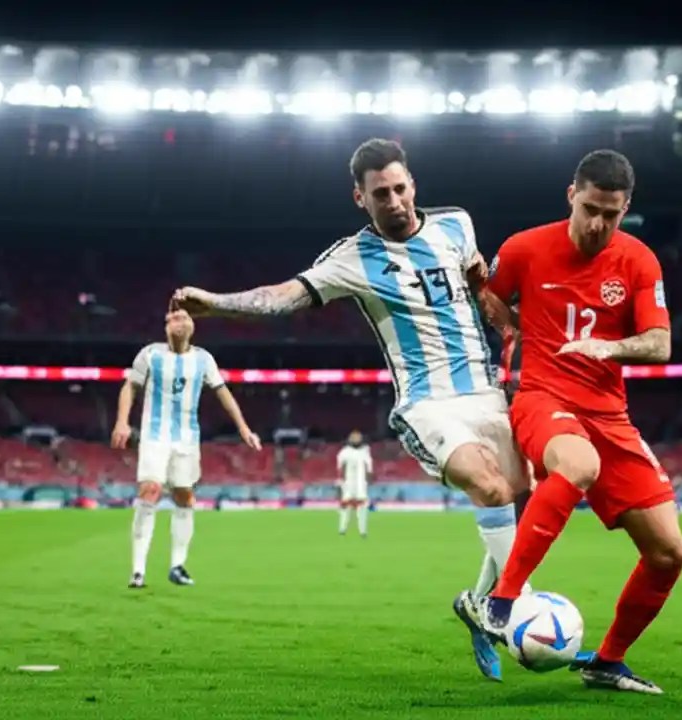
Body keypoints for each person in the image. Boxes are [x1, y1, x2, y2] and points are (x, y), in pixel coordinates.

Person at [173, 138, 528, 681]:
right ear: (360, 198)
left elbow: (482, 288)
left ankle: (479, 606)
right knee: (491, 487)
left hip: (488, 392)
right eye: (379, 193)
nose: (394, 201)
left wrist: (513, 329)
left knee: (523, 504)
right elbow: (283, 296)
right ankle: (525, 613)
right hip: (428, 403)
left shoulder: (457, 224)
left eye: (400, 188)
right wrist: (217, 305)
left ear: (414, 185)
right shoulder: (352, 258)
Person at [471, 149, 682, 694]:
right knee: (579, 462)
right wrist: (512, 326)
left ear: (626, 208)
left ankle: (607, 662)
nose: (597, 224)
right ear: (572, 194)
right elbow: (483, 298)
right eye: (590, 208)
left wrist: (608, 346)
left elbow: (660, 344)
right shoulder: (523, 248)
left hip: (610, 414)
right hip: (542, 396)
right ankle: (499, 602)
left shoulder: (639, 261)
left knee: (668, 552)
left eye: (610, 215)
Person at [111, 308, 262, 589]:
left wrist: (243, 427)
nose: (178, 323)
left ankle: (177, 565)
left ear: (193, 326)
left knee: (184, 496)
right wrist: (122, 422)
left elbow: (222, 392)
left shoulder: (203, 359)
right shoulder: (150, 354)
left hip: (187, 439)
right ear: (165, 327)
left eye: (183, 318)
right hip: (154, 436)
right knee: (150, 490)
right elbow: (130, 386)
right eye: (172, 319)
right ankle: (138, 570)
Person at [336, 430, 374, 538]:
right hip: (348, 483)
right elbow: (340, 467)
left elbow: (369, 467)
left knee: (362, 508)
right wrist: (341, 482)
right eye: (354, 438)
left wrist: (369, 480)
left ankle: (363, 531)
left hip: (361, 484)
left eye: (358, 437)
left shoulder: (365, 451)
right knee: (345, 507)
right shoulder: (344, 452)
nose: (356, 440)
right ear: (350, 439)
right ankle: (342, 529)